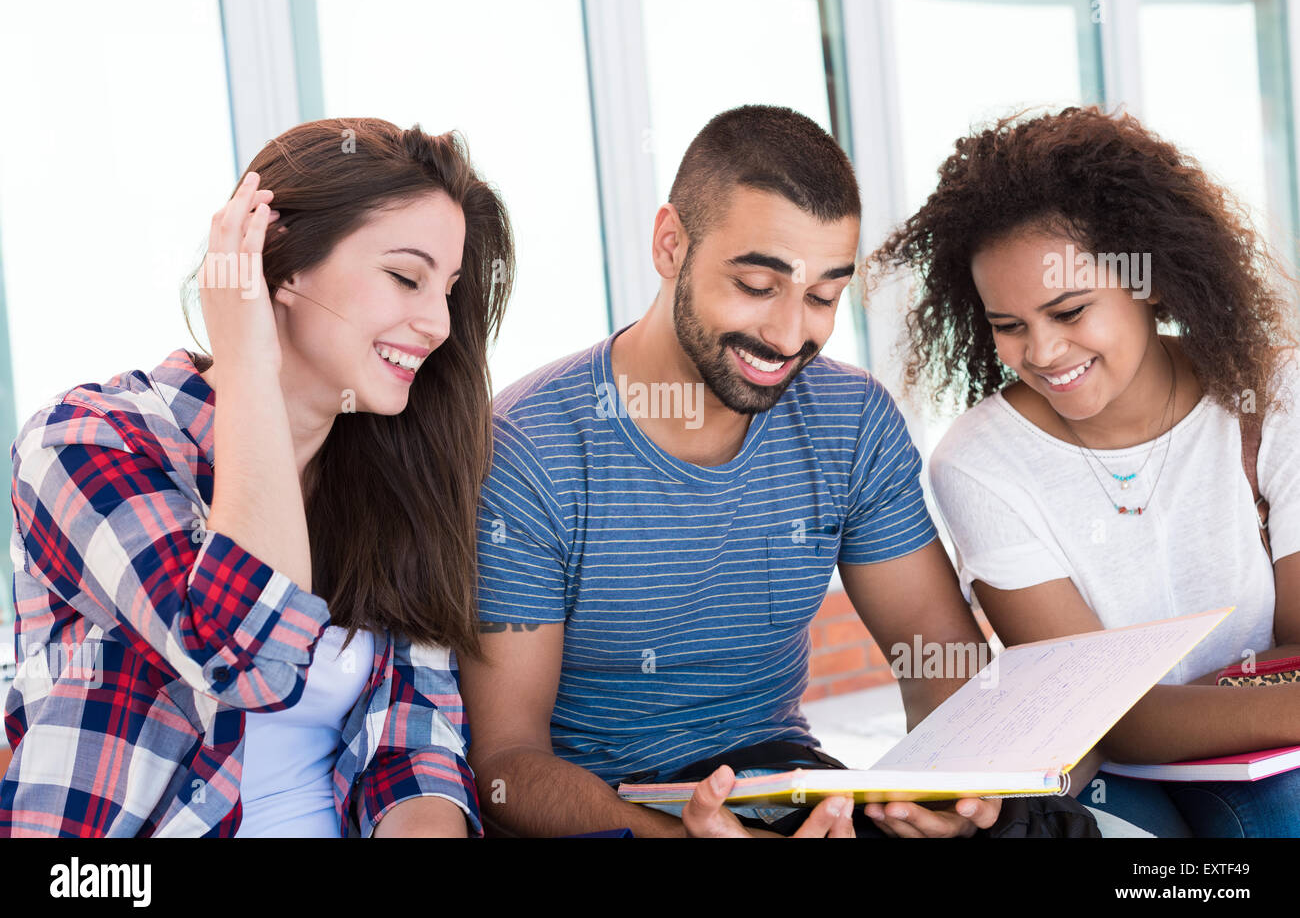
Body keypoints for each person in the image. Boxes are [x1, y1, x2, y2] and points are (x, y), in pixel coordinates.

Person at [460, 104, 1035, 839]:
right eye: (758, 285)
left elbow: (935, 651)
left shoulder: (850, 420)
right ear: (671, 243)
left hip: (778, 779)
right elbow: (505, 762)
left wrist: (960, 782)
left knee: (1037, 825)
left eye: (823, 295)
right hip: (605, 808)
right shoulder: (529, 449)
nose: (790, 333)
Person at [0, 118, 514, 837]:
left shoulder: (392, 480)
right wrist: (247, 364)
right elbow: (250, 657)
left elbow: (414, 748)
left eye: (449, 289)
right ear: (281, 263)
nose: (437, 324)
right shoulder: (84, 441)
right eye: (405, 277)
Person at [872, 105, 1300, 837]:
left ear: (1150, 280)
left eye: (1069, 310)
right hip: (1112, 778)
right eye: (1008, 325)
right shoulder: (979, 464)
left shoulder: (1275, 395)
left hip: (1273, 762)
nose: (1042, 351)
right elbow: (1110, 717)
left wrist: (1189, 704)